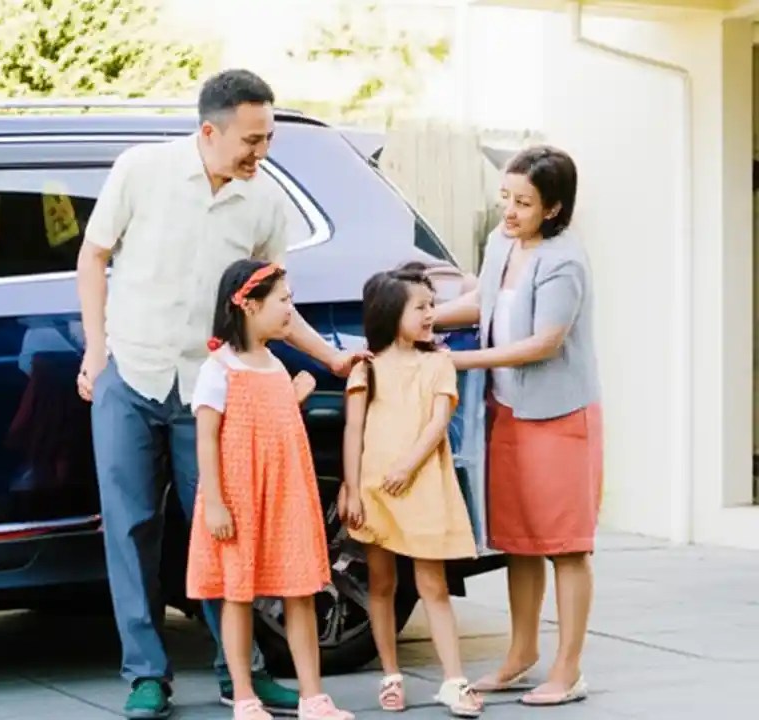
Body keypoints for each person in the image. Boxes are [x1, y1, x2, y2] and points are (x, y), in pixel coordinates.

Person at [76, 68, 366, 719]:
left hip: (213, 388)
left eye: (268, 138)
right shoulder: (141, 171)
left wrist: (332, 358)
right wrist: (97, 353)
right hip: (133, 375)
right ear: (211, 130)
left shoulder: (264, 204)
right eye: (252, 139)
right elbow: (92, 258)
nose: (261, 153)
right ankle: (146, 674)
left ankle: (243, 675)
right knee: (130, 529)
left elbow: (276, 307)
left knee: (224, 531)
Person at [433, 145, 601, 707]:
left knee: (567, 547)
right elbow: (482, 301)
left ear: (553, 208)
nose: (509, 210)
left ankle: (569, 669)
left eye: (524, 203)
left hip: (560, 418)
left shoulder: (565, 261)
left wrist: (457, 362)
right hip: (507, 413)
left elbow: (542, 343)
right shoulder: (501, 241)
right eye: (505, 196)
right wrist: (421, 320)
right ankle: (520, 655)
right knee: (520, 544)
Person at [186, 260, 354, 720]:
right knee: (238, 595)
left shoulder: (275, 363)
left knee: (299, 590)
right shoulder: (218, 368)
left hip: (285, 497)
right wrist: (216, 503)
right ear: (249, 305)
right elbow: (208, 438)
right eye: (283, 300)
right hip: (241, 499)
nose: (289, 309)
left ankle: (312, 696)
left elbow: (271, 427)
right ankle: (244, 695)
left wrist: (294, 396)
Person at [338, 268, 483, 717]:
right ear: (389, 311)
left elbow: (439, 422)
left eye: (431, 305)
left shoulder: (437, 362)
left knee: (432, 585)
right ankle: (391, 675)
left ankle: (454, 680)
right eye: (419, 306)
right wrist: (351, 487)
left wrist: (408, 466)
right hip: (376, 489)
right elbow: (354, 430)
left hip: (420, 486)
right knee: (381, 584)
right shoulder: (366, 368)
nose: (429, 314)